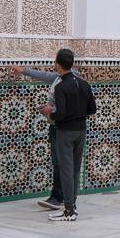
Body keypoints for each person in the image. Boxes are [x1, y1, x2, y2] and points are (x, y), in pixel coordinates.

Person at [10, 56, 82, 210]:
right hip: (58, 126)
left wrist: (52, 111)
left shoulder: (71, 80)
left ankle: (62, 199)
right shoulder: (60, 78)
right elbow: (45, 76)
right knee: (59, 163)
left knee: (64, 164)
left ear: (58, 63)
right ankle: (61, 198)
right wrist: (23, 70)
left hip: (64, 128)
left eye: (55, 61)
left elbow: (71, 107)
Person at [48, 49, 97, 223]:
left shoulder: (61, 87)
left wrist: (49, 113)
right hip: (81, 131)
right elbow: (93, 109)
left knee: (67, 170)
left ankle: (69, 210)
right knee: (75, 170)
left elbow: (60, 114)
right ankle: (72, 205)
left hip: (65, 132)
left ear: (57, 64)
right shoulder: (84, 84)